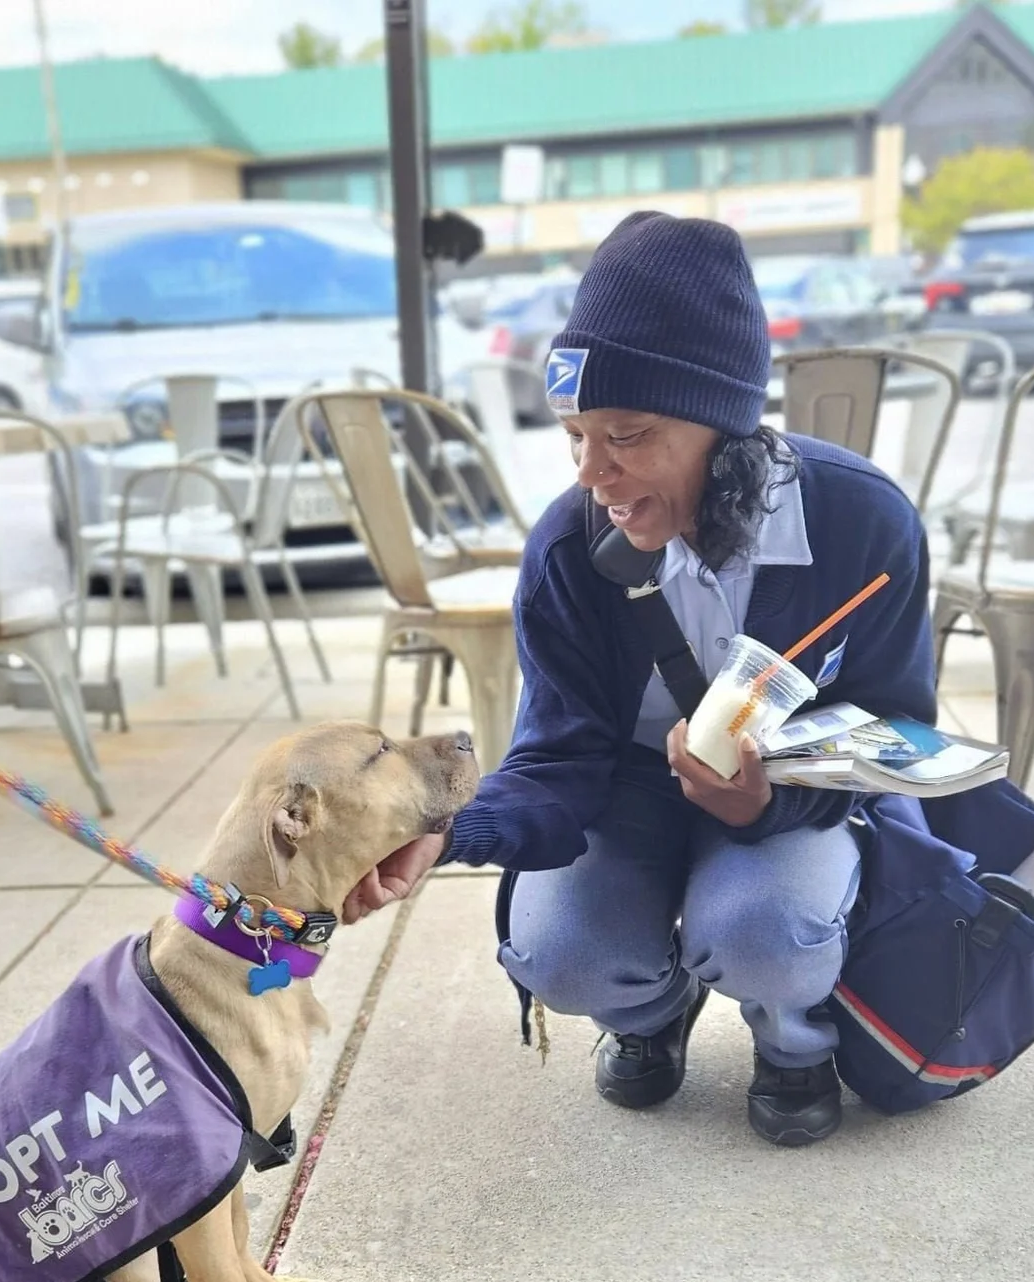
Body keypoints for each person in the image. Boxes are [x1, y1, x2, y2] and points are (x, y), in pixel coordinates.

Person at [343, 212, 936, 1146]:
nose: (594, 473)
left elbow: (896, 725)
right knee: (560, 952)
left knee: (767, 934)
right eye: (577, 434)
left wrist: (767, 804)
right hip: (623, 791)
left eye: (627, 434)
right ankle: (651, 1010)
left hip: (788, 798)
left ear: (724, 421)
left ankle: (794, 1035)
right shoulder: (570, 549)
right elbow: (557, 756)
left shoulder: (863, 525)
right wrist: (446, 831)